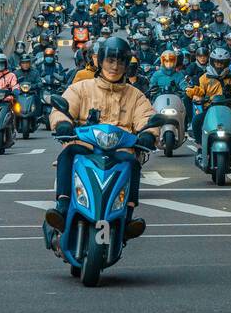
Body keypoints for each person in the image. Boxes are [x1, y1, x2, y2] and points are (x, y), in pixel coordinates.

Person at [45, 35, 154, 241]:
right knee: (67, 153)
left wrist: (148, 133)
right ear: (100, 61)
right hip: (85, 146)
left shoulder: (136, 95)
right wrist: (62, 123)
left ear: (126, 65)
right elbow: (62, 109)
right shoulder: (81, 88)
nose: (114, 66)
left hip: (120, 151)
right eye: (110, 60)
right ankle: (63, 205)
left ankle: (128, 217)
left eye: (120, 61)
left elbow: (146, 117)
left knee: (133, 163)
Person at [186, 46, 231, 159]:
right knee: (196, 120)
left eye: (222, 63)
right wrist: (195, 94)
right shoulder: (204, 78)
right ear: (212, 62)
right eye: (217, 63)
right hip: (210, 109)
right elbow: (200, 91)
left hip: (228, 108)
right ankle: (201, 145)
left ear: (227, 63)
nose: (219, 65)